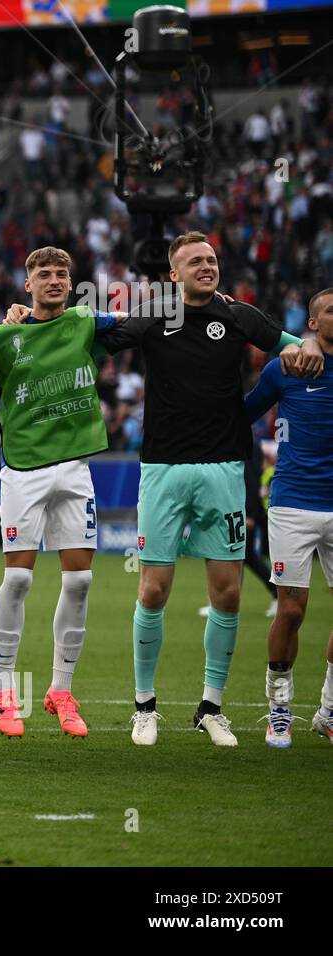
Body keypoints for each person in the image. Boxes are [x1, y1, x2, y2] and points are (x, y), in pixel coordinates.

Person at [98, 231, 323, 747]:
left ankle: (210, 707)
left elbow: (292, 346)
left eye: (211, 259)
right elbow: (95, 336)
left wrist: (308, 342)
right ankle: (144, 706)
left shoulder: (241, 316)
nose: (206, 265)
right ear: (173, 274)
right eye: (195, 261)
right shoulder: (155, 315)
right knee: (153, 589)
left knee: (228, 592)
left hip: (224, 467)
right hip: (162, 469)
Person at [0, 246, 124, 738]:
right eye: (43, 273)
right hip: (22, 470)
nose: (53, 279)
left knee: (80, 582)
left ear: (71, 282)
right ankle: (4, 690)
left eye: (62, 273)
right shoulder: (4, 338)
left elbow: (140, 325)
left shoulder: (88, 324)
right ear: (27, 284)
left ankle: (60, 690)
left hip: (76, 467)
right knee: (20, 580)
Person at [244, 287, 333, 747]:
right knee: (292, 610)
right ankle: (279, 709)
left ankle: (328, 711)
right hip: (294, 503)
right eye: (331, 311)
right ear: (312, 323)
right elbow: (241, 415)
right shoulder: (287, 368)